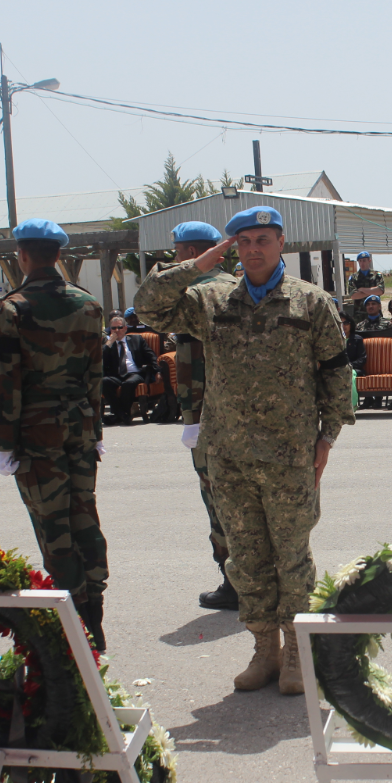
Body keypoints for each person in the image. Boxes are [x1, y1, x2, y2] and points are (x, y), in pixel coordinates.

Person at [133, 204, 354, 695]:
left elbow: (337, 371)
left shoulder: (310, 301)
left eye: (263, 240)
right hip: (228, 455)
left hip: (290, 454)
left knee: (291, 557)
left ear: (281, 243)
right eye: (244, 242)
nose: (254, 249)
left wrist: (328, 437)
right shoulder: (210, 299)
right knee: (246, 559)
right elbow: (148, 307)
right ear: (232, 248)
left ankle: (297, 650)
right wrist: (195, 266)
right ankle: (264, 649)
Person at [0, 218, 110, 650]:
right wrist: (95, 428)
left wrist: (4, 443)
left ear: (22, 256)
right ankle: (94, 607)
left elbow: (7, 380)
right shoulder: (88, 304)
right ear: (58, 255)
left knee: (52, 523)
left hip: (36, 432)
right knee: (84, 514)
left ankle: (75, 619)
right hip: (80, 426)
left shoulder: (13, 308)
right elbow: (95, 374)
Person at [145, 221, 235, 611]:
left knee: (217, 497)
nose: (174, 259)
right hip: (235, 409)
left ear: (190, 253)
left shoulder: (194, 292)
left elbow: (149, 305)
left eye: (178, 252)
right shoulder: (235, 286)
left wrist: (192, 418)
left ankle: (234, 582)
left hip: (206, 412)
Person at [102, 316, 157, 425]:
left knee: (129, 383)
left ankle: (119, 416)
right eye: (113, 328)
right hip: (116, 375)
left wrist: (157, 371)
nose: (117, 330)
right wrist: (109, 343)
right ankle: (123, 415)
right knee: (104, 381)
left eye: (120, 327)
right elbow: (99, 359)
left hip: (134, 373)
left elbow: (151, 356)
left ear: (125, 328)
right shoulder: (108, 344)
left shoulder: (137, 339)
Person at [354, 295, 389, 409]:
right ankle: (368, 399)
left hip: (382, 356)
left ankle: (378, 399)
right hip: (365, 356)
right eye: (368, 305)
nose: (371, 306)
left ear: (379, 306)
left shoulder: (387, 324)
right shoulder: (360, 325)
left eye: (373, 304)